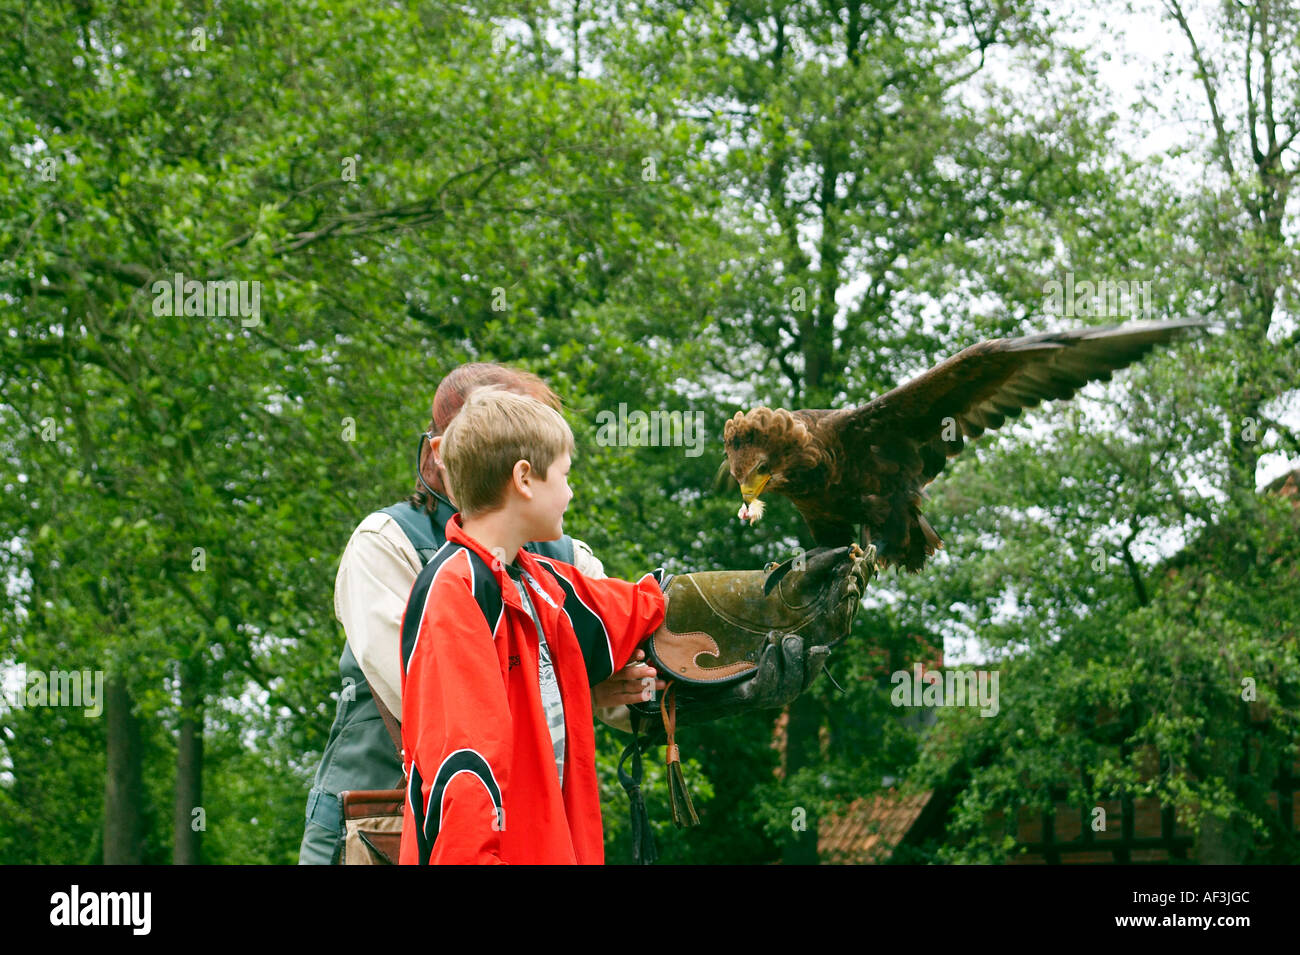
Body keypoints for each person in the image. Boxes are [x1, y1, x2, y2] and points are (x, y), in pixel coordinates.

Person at [298, 363, 656, 865]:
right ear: (446, 450)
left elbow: (629, 684)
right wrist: (582, 684)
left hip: (522, 835)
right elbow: (429, 696)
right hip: (377, 821)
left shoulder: (564, 557)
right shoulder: (387, 543)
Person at [399, 386, 668, 864]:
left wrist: (770, 597)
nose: (570, 491)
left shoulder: (538, 581)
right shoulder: (454, 591)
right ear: (524, 478)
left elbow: (641, 606)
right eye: (565, 475)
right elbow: (463, 768)